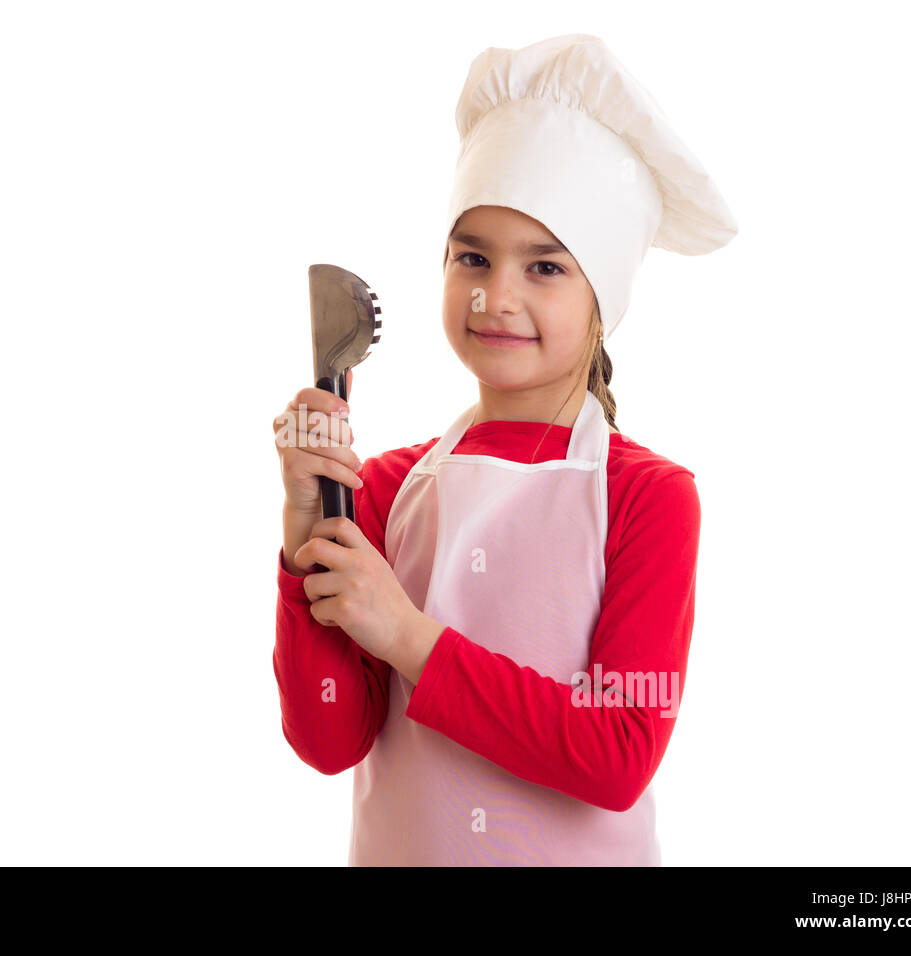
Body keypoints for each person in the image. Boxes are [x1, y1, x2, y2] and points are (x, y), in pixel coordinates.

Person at [271, 34, 737, 865]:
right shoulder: (380, 487)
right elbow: (330, 739)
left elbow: (617, 754)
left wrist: (408, 636)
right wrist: (305, 533)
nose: (497, 295)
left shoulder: (650, 497)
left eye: (546, 267)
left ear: (605, 296)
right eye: (472, 258)